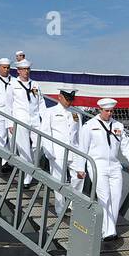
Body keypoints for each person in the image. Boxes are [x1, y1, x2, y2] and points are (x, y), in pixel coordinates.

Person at [73, 98, 129, 242]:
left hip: (114, 166)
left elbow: (125, 145)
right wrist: (80, 167)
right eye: (107, 111)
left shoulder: (118, 126)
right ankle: (108, 231)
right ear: (100, 110)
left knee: (116, 197)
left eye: (111, 111)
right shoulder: (89, 126)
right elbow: (82, 148)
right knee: (104, 196)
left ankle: (110, 228)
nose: (109, 113)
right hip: (97, 165)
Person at [42, 87, 81, 215]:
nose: (69, 102)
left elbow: (78, 135)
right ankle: (60, 208)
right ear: (60, 97)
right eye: (67, 99)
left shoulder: (76, 113)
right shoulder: (50, 112)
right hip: (57, 152)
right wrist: (49, 152)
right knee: (59, 180)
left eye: (71, 99)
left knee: (79, 177)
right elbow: (45, 133)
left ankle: (72, 203)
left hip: (74, 151)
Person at [7, 59, 44, 182]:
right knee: (24, 149)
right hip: (20, 119)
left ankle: (31, 167)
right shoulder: (12, 85)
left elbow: (41, 102)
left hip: (34, 119)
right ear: (18, 71)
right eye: (23, 69)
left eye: (28, 69)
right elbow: (8, 105)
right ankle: (27, 178)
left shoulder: (35, 84)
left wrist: (44, 119)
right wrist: (9, 123)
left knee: (40, 145)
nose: (26, 72)